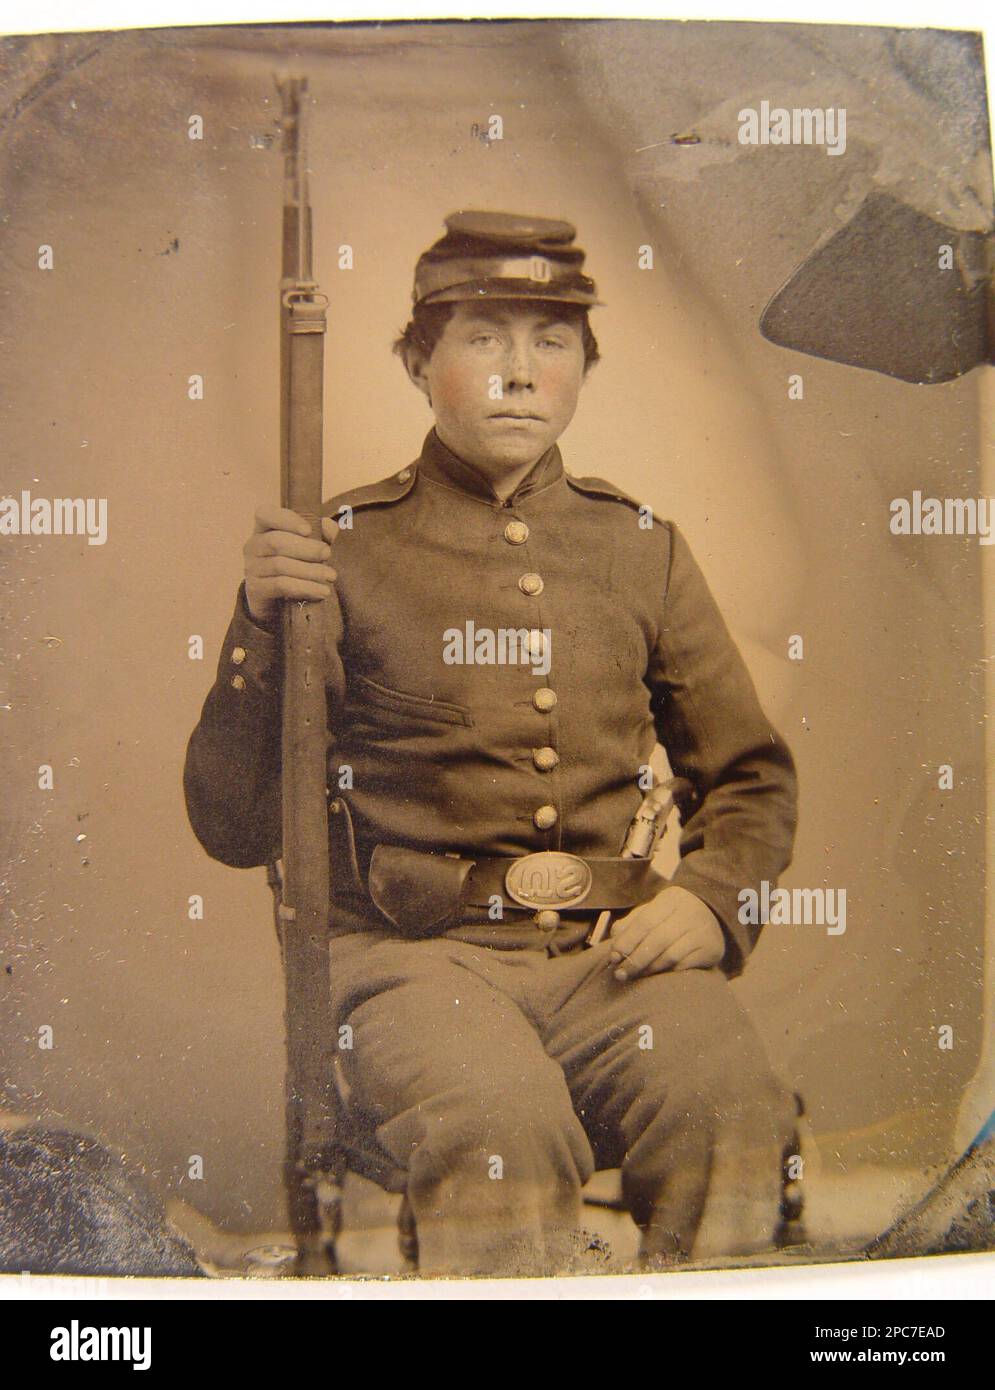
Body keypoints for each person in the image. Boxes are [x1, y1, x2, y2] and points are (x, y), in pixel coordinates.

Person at [184, 211, 800, 1277]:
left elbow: (745, 775)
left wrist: (708, 899)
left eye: (549, 341)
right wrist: (254, 622)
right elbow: (235, 827)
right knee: (501, 1135)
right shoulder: (334, 550)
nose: (519, 373)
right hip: (414, 965)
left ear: (582, 370)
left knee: (729, 1110)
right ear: (419, 363)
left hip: (607, 954)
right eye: (481, 338)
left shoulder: (640, 547)